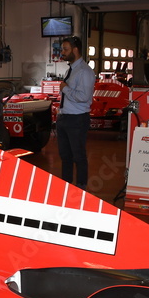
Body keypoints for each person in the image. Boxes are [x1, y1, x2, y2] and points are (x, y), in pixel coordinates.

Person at [57, 36, 94, 189]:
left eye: (65, 49)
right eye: (62, 50)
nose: (62, 53)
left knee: (78, 155)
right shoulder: (71, 70)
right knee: (65, 156)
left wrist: (65, 88)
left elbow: (83, 97)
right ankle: (66, 185)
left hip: (77, 120)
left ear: (75, 50)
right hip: (64, 118)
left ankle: (81, 187)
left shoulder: (85, 72)